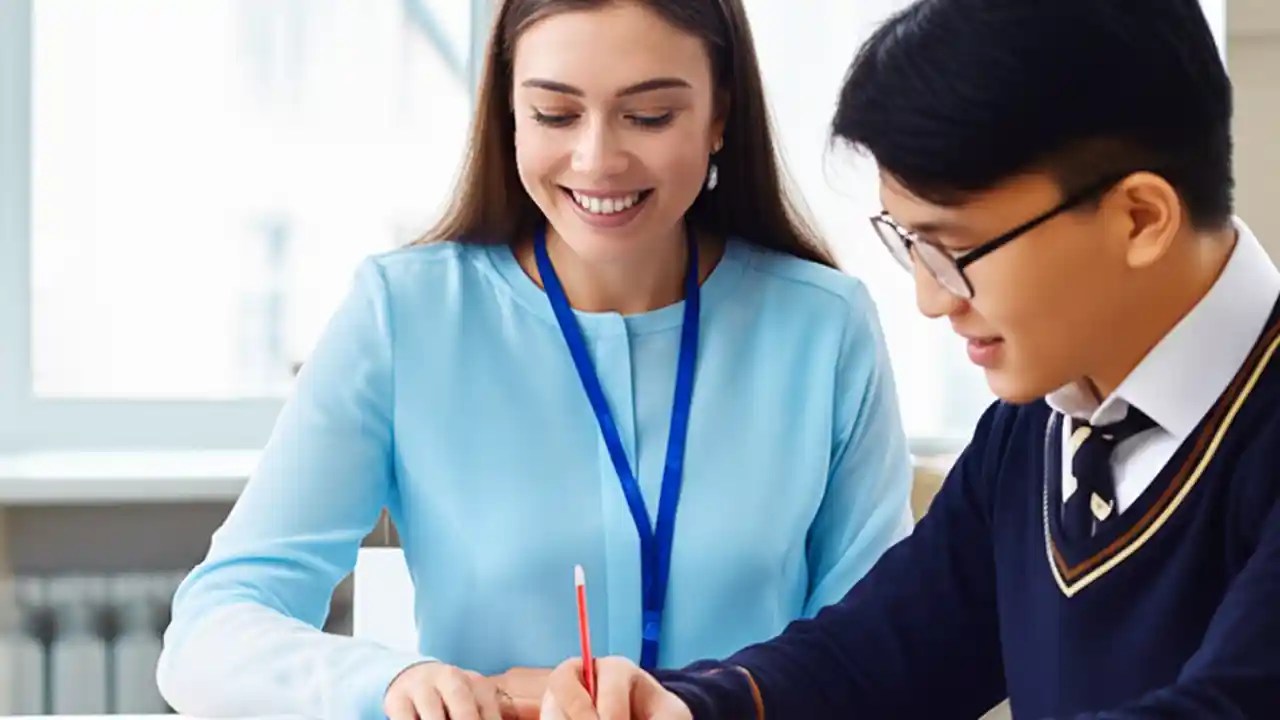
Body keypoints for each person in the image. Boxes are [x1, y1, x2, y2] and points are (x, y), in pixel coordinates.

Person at [155, 1, 916, 719]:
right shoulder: (405, 314)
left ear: (720, 116)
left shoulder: (824, 327)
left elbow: (881, 656)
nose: (597, 159)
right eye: (554, 114)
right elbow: (209, 633)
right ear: (509, 116)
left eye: (649, 116)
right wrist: (396, 683)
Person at [541, 0, 1280, 717]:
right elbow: (876, 658)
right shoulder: (1042, 420)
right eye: (910, 244)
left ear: (1139, 219)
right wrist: (689, 705)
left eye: (955, 250)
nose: (932, 298)